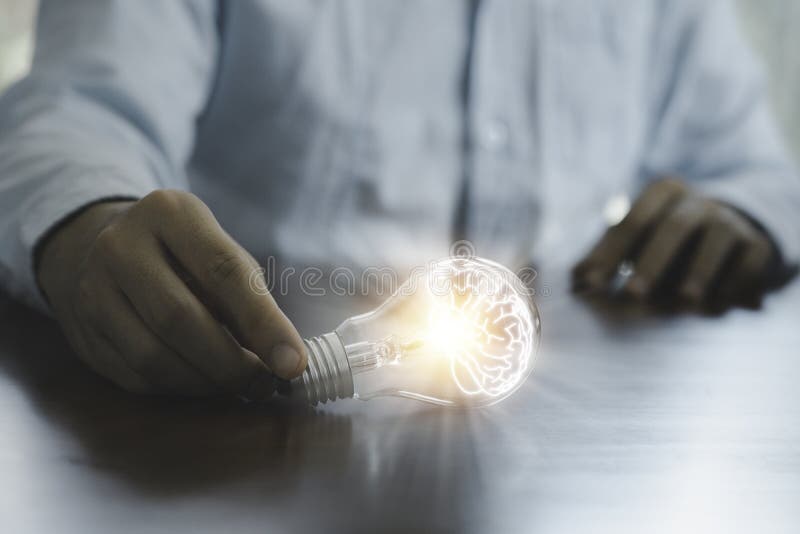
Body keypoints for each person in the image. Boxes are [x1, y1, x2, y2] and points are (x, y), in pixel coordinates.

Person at [0, 0, 797, 398]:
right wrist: (84, 223)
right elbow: (77, 114)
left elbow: (755, 170)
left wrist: (745, 214)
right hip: (217, 380)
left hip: (551, 427)